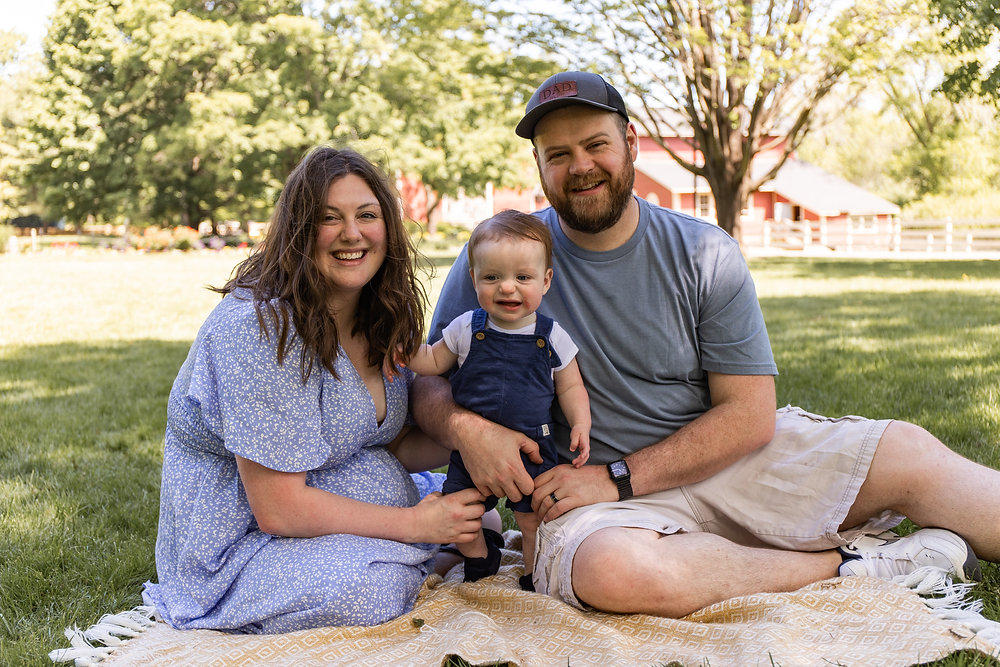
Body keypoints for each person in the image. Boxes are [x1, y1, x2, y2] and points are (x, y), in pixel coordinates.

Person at [411, 71, 1000, 617]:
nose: (580, 166)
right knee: (617, 574)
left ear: (631, 144)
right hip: (592, 503)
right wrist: (469, 430)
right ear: (538, 164)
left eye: (596, 145)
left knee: (908, 455)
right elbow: (430, 377)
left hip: (714, 463)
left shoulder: (703, 251)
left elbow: (749, 414)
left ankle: (774, 553)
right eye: (558, 155)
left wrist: (619, 474)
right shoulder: (499, 257)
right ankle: (859, 567)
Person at [142, 146, 490, 633]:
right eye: (330, 218)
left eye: (367, 215)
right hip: (239, 544)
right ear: (300, 231)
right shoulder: (258, 330)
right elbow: (279, 507)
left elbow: (386, 441)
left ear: (387, 227)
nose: (352, 233)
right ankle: (419, 555)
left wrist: (479, 433)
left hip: (325, 490)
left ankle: (424, 552)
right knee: (370, 592)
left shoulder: (375, 312)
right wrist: (418, 526)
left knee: (480, 521)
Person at [403, 210, 591, 590]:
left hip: (532, 447)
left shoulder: (552, 336)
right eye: (493, 277)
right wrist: (401, 348)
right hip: (473, 449)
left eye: (523, 277)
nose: (508, 288)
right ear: (473, 280)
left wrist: (581, 424)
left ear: (545, 280)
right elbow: (432, 362)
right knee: (459, 515)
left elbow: (571, 387)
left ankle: (532, 573)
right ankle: (479, 557)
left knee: (531, 518)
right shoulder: (466, 329)